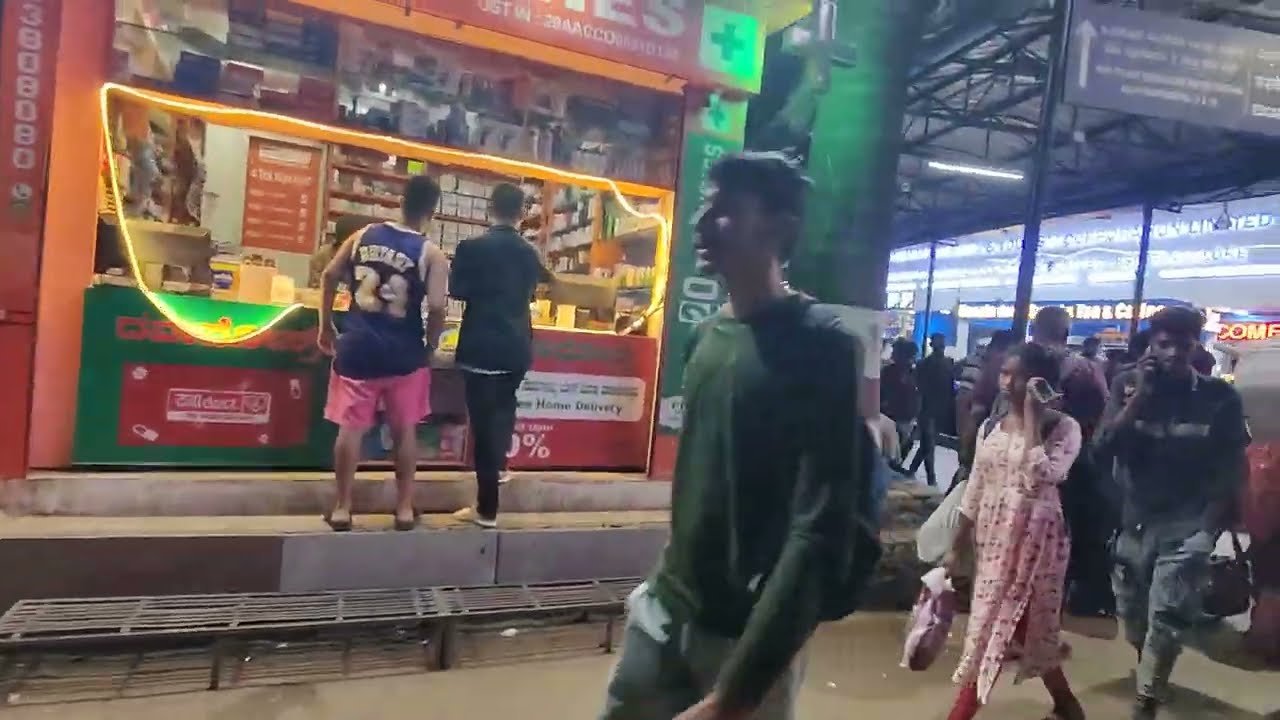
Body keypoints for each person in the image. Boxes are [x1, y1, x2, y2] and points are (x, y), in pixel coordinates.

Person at [598, 152, 872, 720]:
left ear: (779, 228)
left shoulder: (821, 346)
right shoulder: (705, 338)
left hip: (746, 639)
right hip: (664, 610)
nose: (701, 223)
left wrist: (736, 695)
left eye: (724, 211)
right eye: (705, 204)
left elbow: (820, 526)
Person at [1094, 306, 1250, 720]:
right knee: (1133, 619)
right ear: (1150, 347)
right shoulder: (1127, 386)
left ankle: (1147, 700)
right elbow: (1101, 448)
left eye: (1183, 344)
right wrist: (1138, 398)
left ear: (1196, 346)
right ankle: (1152, 672)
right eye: (1164, 344)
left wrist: (1209, 527)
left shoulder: (1219, 398)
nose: (1174, 353)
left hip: (1186, 524)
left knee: (1166, 615)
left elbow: (1232, 464)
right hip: (1132, 523)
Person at [942, 343, 1084, 720]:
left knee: (989, 630)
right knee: (1025, 628)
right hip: (993, 540)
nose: (1008, 382)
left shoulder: (1063, 428)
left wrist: (1033, 422)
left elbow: (1044, 478)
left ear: (1042, 381)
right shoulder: (992, 425)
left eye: (1017, 375)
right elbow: (976, 486)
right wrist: (956, 545)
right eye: (1004, 373)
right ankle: (1067, 703)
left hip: (1037, 547)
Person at [318, 176, 450, 531]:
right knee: (404, 430)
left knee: (351, 428)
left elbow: (329, 275)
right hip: (404, 355)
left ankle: (343, 507)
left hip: (357, 348)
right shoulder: (431, 253)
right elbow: (437, 307)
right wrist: (430, 346)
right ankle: (405, 508)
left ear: (401, 200)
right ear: (433, 210)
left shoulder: (362, 235)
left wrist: (325, 326)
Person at [449, 183, 550, 529]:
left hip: (480, 343)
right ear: (523, 213)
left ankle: (486, 508)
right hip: (517, 346)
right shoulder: (530, 253)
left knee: (483, 426)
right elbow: (536, 291)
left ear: (490, 208)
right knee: (504, 409)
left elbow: (456, 290)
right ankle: (500, 470)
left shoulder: (470, 247)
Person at [1030, 307, 1114, 620]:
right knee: (1077, 531)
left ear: (1034, 329)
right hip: (1075, 461)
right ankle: (1072, 598)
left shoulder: (1017, 362)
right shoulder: (1085, 369)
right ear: (1067, 333)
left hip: (1024, 457)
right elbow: (1104, 414)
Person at [952, 330, 1017, 492]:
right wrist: (965, 442)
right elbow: (966, 404)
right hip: (979, 441)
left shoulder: (990, 366)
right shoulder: (980, 366)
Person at [907, 332, 954, 486]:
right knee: (929, 444)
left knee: (927, 444)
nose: (941, 346)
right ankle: (930, 478)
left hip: (937, 409)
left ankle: (912, 470)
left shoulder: (946, 363)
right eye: (939, 343)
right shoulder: (927, 364)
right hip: (928, 409)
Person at [881, 338, 920, 471]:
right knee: (892, 448)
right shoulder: (889, 372)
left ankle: (895, 468)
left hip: (906, 417)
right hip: (892, 416)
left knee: (904, 445)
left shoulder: (913, 373)